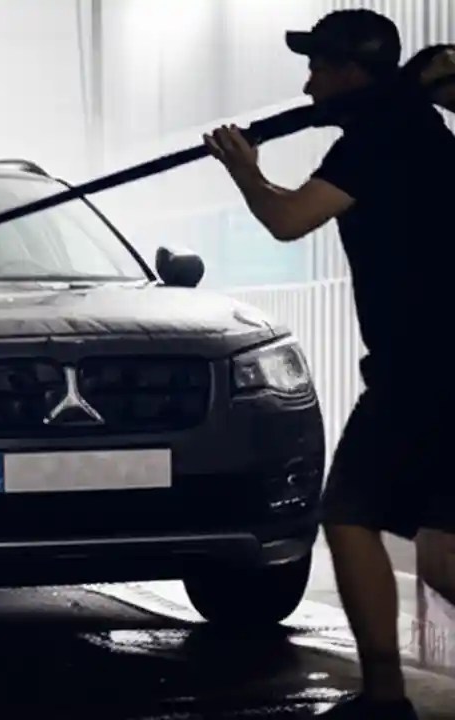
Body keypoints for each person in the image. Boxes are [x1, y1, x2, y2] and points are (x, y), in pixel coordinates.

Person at [203, 9, 455, 719]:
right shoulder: (423, 134)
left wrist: (245, 170)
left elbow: (288, 219)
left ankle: (381, 698)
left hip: (422, 373)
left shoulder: (376, 141)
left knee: (348, 514)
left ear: (351, 72)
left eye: (317, 66)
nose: (308, 83)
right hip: (437, 368)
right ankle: (381, 696)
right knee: (439, 555)